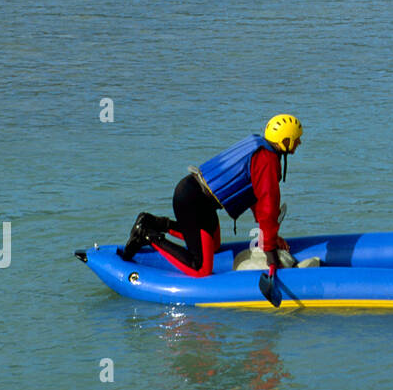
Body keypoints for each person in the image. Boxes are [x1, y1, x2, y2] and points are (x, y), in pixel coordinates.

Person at [120, 114, 303, 279]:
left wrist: (270, 237)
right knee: (201, 269)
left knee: (214, 246)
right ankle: (147, 236)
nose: (299, 143)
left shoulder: (261, 148)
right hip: (194, 203)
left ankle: (156, 223)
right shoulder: (267, 161)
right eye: (296, 139)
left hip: (197, 196)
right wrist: (270, 251)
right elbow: (268, 207)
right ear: (285, 141)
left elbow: (256, 198)